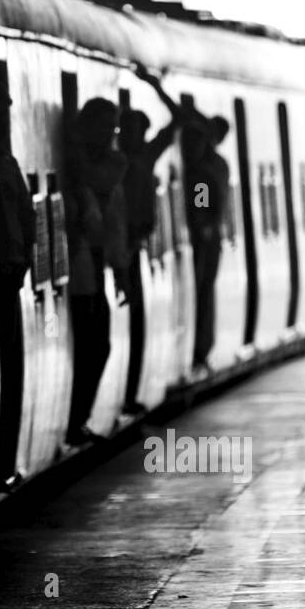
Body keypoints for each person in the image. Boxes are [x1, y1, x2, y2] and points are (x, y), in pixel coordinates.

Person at [120, 63, 194, 413]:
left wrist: (155, 85)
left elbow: (178, 117)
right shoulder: (121, 160)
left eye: (135, 130)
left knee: (135, 313)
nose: (129, 136)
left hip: (136, 243)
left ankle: (132, 395)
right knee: (130, 313)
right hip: (121, 244)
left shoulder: (144, 156)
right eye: (127, 130)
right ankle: (128, 395)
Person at [64, 97, 130, 446]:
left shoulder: (206, 180)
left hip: (103, 265)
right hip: (88, 270)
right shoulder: (98, 168)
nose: (111, 135)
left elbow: (206, 199)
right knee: (94, 344)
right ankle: (77, 420)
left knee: (98, 345)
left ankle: (81, 419)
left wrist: (205, 216)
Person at [0, 78, 36, 492]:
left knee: (12, 357)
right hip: (3, 272)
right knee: (9, 357)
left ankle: (6, 462)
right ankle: (3, 463)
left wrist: (25, 261)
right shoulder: (1, 164)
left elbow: (26, 213)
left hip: (11, 271)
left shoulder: (7, 163)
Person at [183, 113, 231, 375]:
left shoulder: (202, 175)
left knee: (203, 289)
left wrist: (201, 227)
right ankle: (202, 347)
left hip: (206, 242)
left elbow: (203, 205)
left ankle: (201, 347)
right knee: (205, 291)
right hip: (211, 240)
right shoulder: (217, 165)